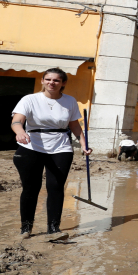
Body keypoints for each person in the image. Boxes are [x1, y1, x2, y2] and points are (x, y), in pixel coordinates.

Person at [10, 67, 91, 240]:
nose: (51, 83)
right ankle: (26, 228)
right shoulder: (30, 99)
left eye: (56, 80)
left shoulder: (70, 101)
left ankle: (53, 229)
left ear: (63, 83)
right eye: (48, 79)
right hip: (31, 145)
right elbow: (17, 120)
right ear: (42, 81)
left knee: (55, 188)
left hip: (60, 146)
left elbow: (74, 125)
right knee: (31, 188)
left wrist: (84, 144)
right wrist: (19, 131)